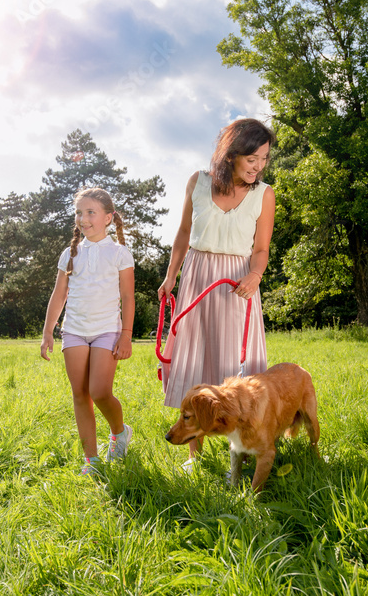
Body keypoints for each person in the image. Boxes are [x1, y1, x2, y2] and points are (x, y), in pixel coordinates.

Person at [158, 118, 276, 472]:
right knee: (197, 358)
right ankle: (195, 455)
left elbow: (261, 249)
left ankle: (241, 451)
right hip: (197, 275)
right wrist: (170, 276)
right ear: (231, 155)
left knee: (233, 366)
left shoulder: (264, 194)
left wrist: (255, 275)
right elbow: (182, 232)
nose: (258, 167)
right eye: (251, 159)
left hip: (238, 283)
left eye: (264, 159)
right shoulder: (198, 182)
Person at [41, 187, 135, 476]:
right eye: (79, 213)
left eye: (90, 212)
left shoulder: (120, 254)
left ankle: (119, 432)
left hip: (107, 330)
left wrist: (126, 335)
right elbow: (59, 296)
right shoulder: (70, 254)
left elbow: (128, 297)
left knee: (100, 391)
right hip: (74, 331)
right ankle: (91, 461)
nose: (83, 218)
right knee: (80, 394)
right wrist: (47, 332)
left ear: (108, 217)